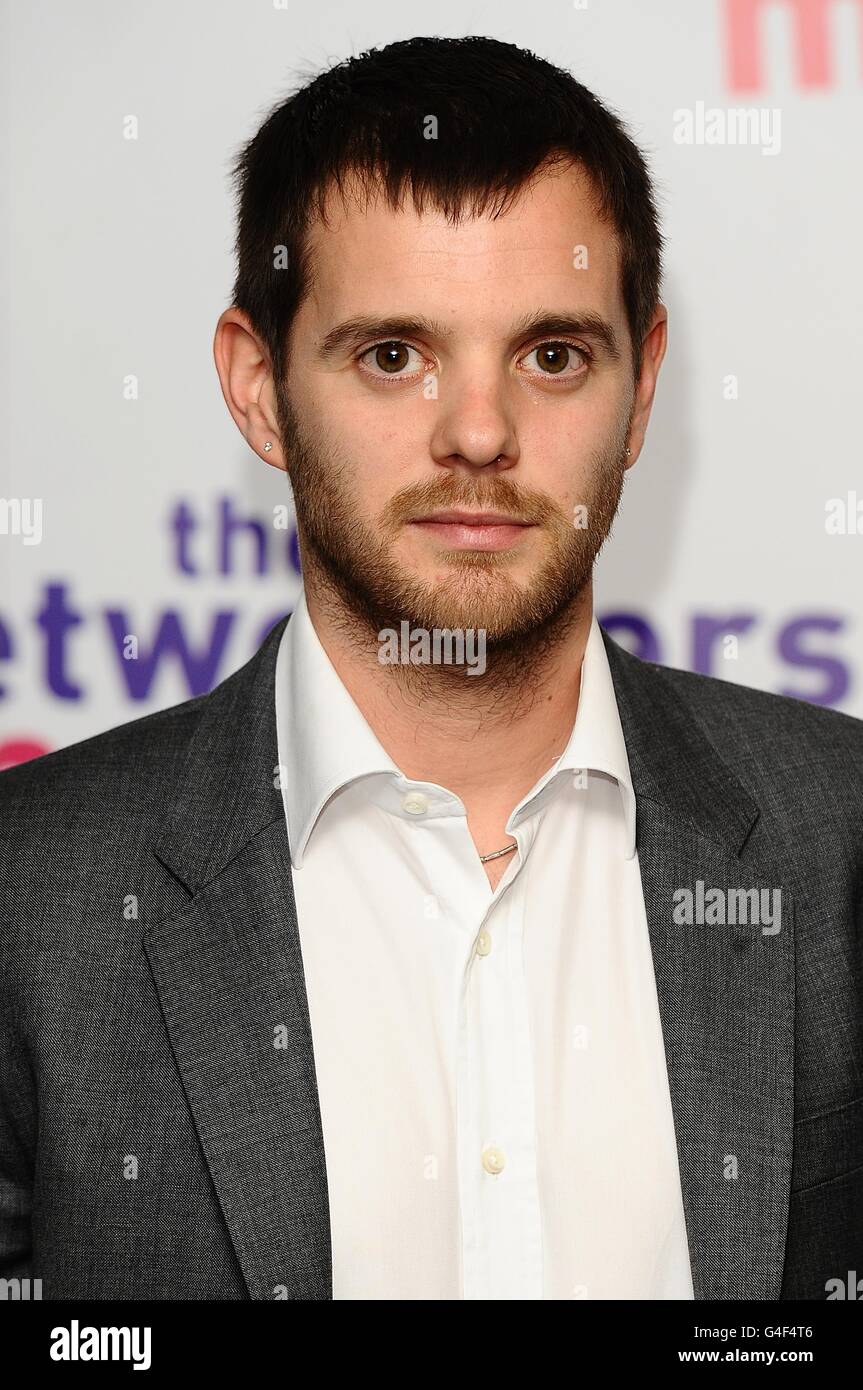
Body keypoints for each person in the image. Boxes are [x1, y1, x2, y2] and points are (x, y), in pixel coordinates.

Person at [1, 34, 860, 1302]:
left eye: (551, 355)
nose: (477, 434)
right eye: (392, 354)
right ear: (256, 386)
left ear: (641, 389)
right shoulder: (32, 897)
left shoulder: (837, 835)